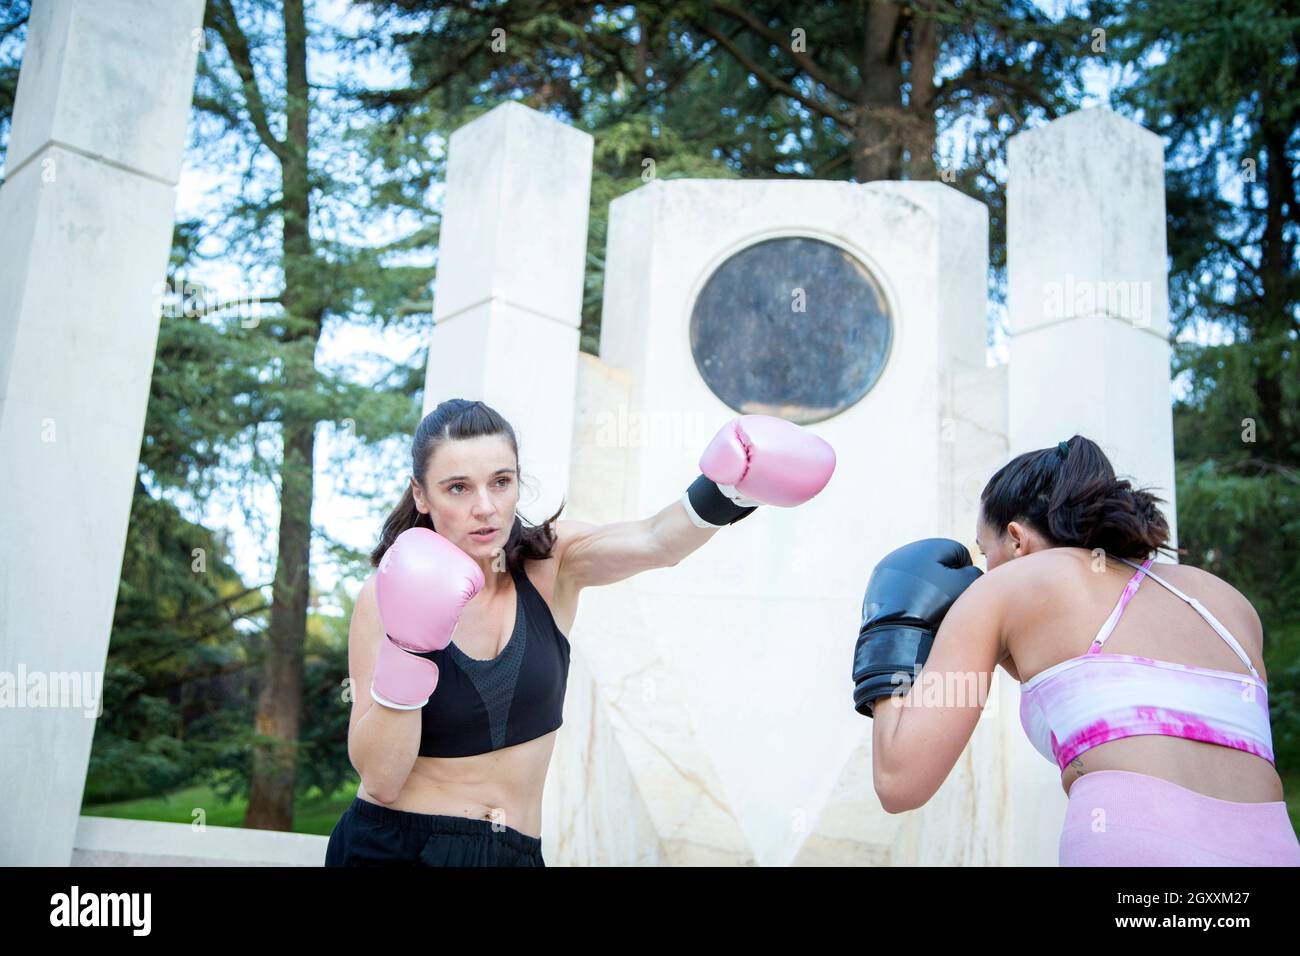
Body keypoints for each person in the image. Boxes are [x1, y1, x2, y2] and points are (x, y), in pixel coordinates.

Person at [325, 398, 835, 866]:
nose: (485, 507)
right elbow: (382, 779)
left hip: (518, 853)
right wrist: (409, 649)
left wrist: (729, 488)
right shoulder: (385, 594)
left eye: (501, 482)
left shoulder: (552, 561)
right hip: (396, 848)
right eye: (458, 487)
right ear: (422, 494)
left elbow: (656, 540)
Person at [852, 434, 1300, 866]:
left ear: (1016, 539)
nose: (983, 569)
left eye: (985, 550)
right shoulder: (1226, 603)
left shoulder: (1008, 587)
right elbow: (1086, 677)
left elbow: (900, 780)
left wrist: (894, 626)